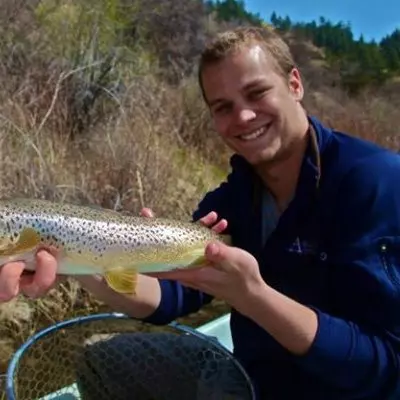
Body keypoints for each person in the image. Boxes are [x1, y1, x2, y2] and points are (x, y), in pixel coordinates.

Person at [1, 26, 400, 399]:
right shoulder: (231, 200)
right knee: (101, 358)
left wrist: (254, 297)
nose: (243, 117)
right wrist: (79, 261)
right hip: (250, 377)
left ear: (295, 84)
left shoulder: (375, 183)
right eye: (223, 107)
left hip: (345, 392)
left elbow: (385, 363)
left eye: (257, 93)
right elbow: (171, 298)